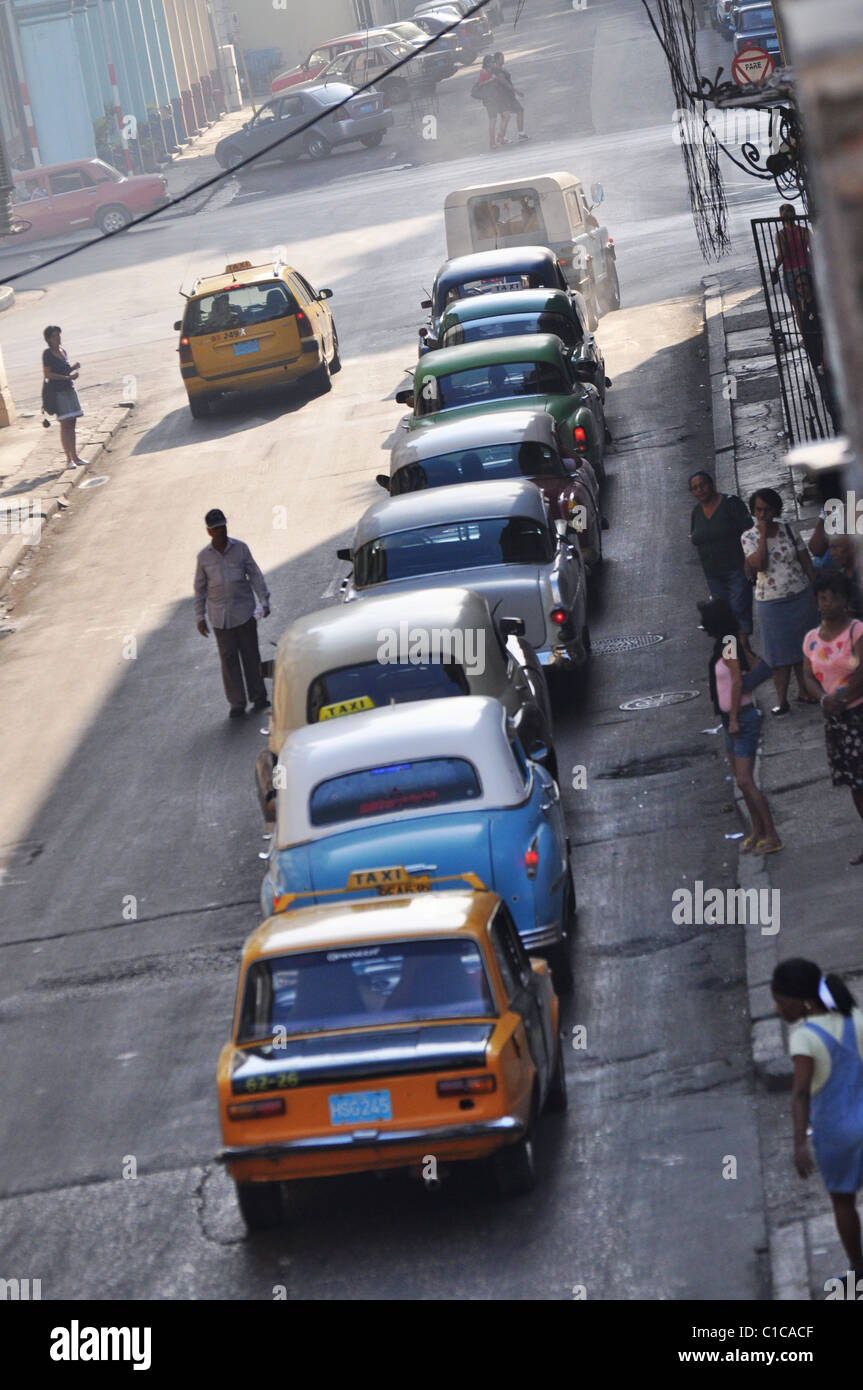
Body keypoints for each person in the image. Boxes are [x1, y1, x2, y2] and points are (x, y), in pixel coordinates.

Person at [772, 958, 863, 1277]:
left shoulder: (804, 1037)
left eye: (783, 1002)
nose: (779, 1010)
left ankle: (858, 1269)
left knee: (843, 1202)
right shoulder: (857, 1018)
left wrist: (799, 1143)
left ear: (805, 1001)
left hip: (836, 1134)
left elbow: (799, 1094)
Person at [698, 598, 780, 853]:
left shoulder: (730, 644)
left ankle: (772, 834)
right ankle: (757, 832)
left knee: (745, 780)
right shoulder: (728, 643)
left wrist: (733, 718)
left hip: (741, 718)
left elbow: (735, 681)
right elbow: (756, 668)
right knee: (741, 780)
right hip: (730, 719)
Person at [800, 572, 863, 863]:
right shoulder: (812, 640)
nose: (828, 603)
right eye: (822, 598)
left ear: (844, 599)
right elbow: (808, 674)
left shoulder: (856, 631)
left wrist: (844, 697)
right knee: (855, 781)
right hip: (837, 720)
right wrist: (824, 699)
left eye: (833, 597)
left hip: (858, 713)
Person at [742, 487, 818, 714]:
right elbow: (759, 565)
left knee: (802, 648)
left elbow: (806, 562)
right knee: (778, 653)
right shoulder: (748, 537)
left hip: (800, 596)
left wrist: (817, 590)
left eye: (767, 509)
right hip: (772, 602)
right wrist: (764, 535)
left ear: (775, 509)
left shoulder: (788, 529)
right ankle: (781, 699)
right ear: (753, 511)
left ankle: (805, 691)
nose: (763, 514)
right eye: (759, 510)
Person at [194, 508, 271, 719]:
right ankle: (237, 702)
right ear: (209, 532)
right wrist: (200, 617)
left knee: (251, 656)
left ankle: (258, 696)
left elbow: (254, 574)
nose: (221, 532)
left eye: (223, 527)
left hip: (244, 612)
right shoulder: (204, 558)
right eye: (216, 529)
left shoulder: (240, 549)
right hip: (220, 618)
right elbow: (199, 588)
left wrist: (264, 600)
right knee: (229, 662)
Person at [688, 471, 753, 651]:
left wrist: (749, 560)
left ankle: (744, 650)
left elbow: (749, 532)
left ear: (711, 484)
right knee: (723, 615)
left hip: (736, 568)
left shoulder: (731, 504)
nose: (700, 490)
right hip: (713, 574)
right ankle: (733, 655)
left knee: (739, 608)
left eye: (702, 485)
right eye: (694, 488)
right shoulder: (696, 513)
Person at [42, 325, 85, 469]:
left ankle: (75, 456)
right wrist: (67, 377)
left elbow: (65, 370)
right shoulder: (47, 354)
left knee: (72, 424)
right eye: (54, 336)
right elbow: (47, 374)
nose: (57, 338)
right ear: (48, 339)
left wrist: (73, 368)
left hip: (69, 389)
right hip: (58, 392)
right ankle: (68, 459)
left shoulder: (62, 351)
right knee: (65, 425)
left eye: (58, 335)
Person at [770, 204, 812, 327]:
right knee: (811, 302)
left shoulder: (781, 235)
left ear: (780, 217)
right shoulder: (804, 231)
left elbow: (782, 254)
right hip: (806, 268)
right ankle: (816, 332)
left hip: (790, 271)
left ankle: (805, 338)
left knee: (798, 309)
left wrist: (774, 269)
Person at [492, 52, 528, 143]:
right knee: (509, 115)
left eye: (503, 58)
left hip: (507, 95)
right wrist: (516, 91)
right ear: (496, 60)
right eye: (501, 58)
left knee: (513, 113)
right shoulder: (497, 70)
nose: (503, 60)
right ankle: (505, 136)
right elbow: (505, 83)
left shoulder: (500, 69)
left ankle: (516, 134)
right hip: (504, 96)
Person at [472, 56, 506, 150]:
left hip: (494, 98)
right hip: (489, 100)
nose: (493, 63)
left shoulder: (491, 71)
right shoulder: (484, 72)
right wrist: (490, 80)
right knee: (493, 121)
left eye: (494, 61)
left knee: (503, 116)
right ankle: (492, 143)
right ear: (487, 63)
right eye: (492, 62)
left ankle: (499, 138)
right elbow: (479, 84)